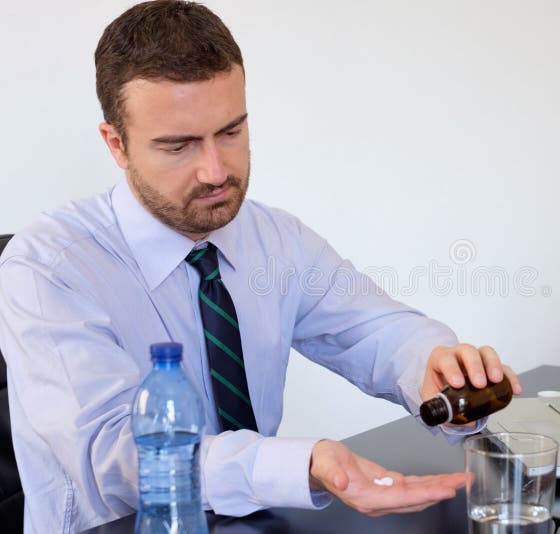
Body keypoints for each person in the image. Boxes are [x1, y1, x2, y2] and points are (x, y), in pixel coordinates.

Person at [0, 1, 522, 532]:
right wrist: (305, 464)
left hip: (250, 523)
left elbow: (374, 330)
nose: (216, 170)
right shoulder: (48, 267)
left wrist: (431, 365)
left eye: (230, 132)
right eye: (179, 146)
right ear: (117, 144)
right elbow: (112, 457)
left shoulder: (273, 238)